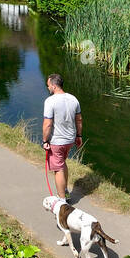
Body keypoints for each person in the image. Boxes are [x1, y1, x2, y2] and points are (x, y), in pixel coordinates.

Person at [41, 72, 82, 201]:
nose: (47, 88)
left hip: (56, 141)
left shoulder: (50, 101)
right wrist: (79, 136)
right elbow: (79, 120)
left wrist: (45, 141)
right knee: (62, 163)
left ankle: (62, 199)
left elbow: (47, 124)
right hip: (69, 140)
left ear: (53, 86)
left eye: (48, 85)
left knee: (58, 168)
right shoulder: (73, 99)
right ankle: (64, 190)